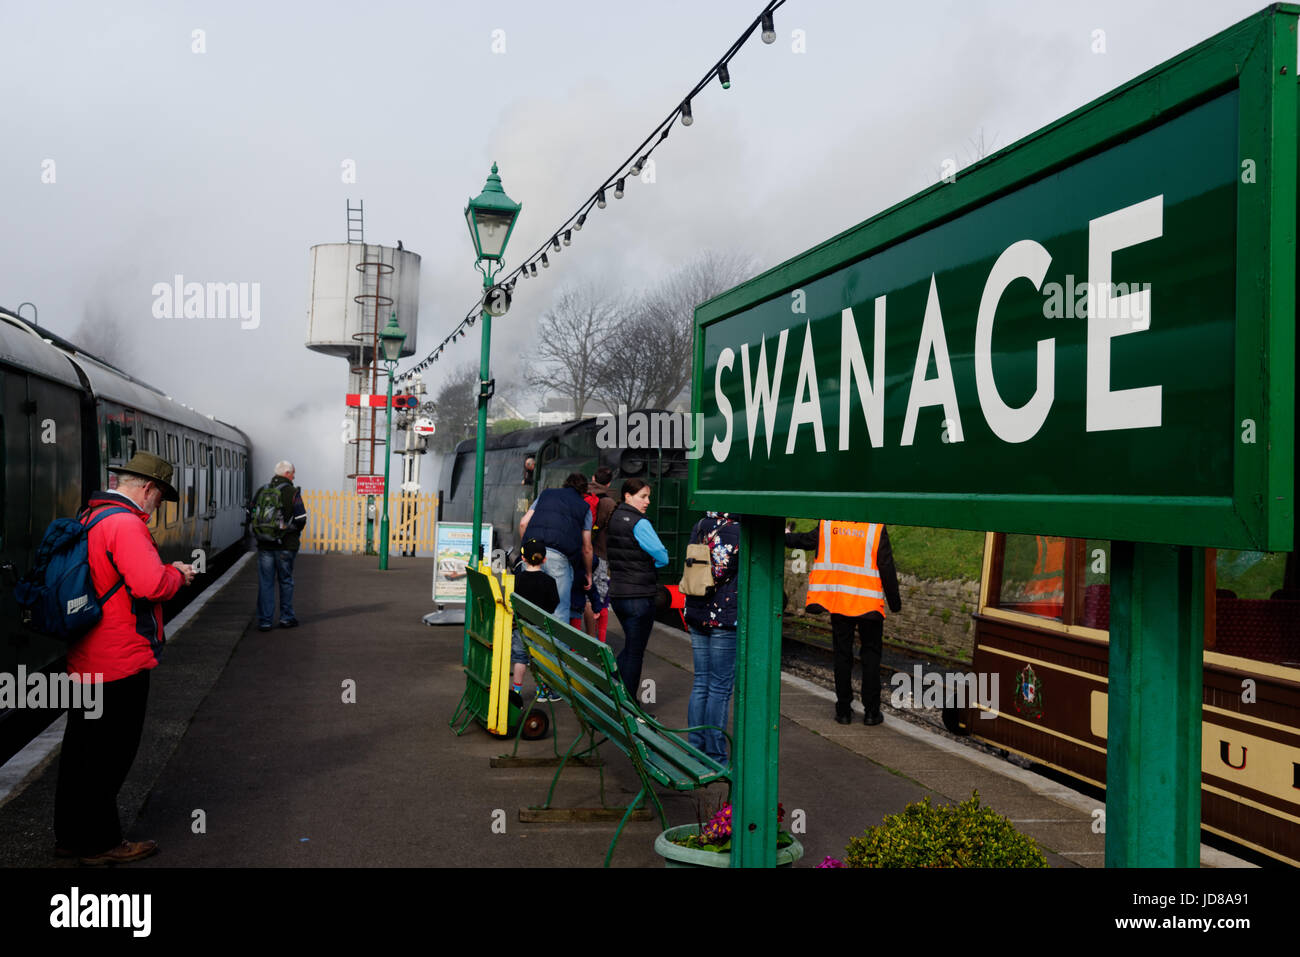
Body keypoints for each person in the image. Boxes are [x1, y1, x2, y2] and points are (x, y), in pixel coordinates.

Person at [54, 452, 195, 864]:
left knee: (80, 751)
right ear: (147, 489)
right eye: (158, 499)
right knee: (109, 755)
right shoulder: (126, 524)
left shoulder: (91, 516)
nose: (155, 510)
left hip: (86, 656)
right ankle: (100, 843)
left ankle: (70, 836)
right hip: (118, 659)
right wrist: (178, 574)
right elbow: (150, 585)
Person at [786, 520, 901, 724]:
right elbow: (886, 566)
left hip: (839, 602)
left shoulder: (829, 525)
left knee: (842, 656)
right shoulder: (875, 528)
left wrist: (785, 536)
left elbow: (805, 540)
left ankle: (844, 711)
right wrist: (895, 603)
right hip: (868, 604)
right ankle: (871, 713)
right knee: (871, 657)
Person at [684, 512, 740, 765]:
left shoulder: (700, 525)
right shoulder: (736, 530)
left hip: (696, 612)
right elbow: (721, 570)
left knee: (701, 683)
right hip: (723, 618)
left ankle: (695, 747)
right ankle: (716, 755)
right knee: (719, 687)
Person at [606, 478, 668, 701]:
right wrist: (649, 565)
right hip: (639, 597)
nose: (648, 501)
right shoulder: (639, 523)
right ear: (628, 496)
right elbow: (662, 556)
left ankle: (611, 690)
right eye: (643, 496)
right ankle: (628, 705)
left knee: (630, 647)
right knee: (635, 652)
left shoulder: (614, 518)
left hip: (618, 595)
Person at [518, 472, 592, 627]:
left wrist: (526, 550)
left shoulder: (546, 494)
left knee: (528, 604)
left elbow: (523, 523)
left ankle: (526, 647)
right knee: (559, 608)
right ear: (584, 492)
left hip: (533, 553)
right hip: (559, 556)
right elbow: (587, 548)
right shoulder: (585, 507)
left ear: (565, 483)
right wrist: (589, 573)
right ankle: (555, 650)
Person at [253, 461, 307, 632]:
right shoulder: (293, 492)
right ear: (286, 473)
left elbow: (251, 512)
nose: (294, 476)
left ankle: (265, 621)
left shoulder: (262, 490)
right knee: (285, 581)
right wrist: (289, 532)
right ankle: (286, 618)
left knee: (266, 582)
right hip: (286, 546)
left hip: (265, 545)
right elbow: (301, 519)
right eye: (292, 473)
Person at [509, 538, 561, 702]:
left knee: (519, 659)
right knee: (540, 659)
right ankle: (541, 690)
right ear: (544, 559)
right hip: (540, 627)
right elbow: (554, 603)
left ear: (523, 559)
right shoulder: (550, 582)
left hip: (520, 627)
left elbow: (512, 602)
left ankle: (516, 690)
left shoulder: (516, 580)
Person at [572, 466, 616, 640]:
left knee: (575, 597)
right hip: (599, 553)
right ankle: (593, 638)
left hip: (576, 550)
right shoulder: (608, 502)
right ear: (609, 482)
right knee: (595, 597)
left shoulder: (580, 495)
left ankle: (573, 641)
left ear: (593, 477)